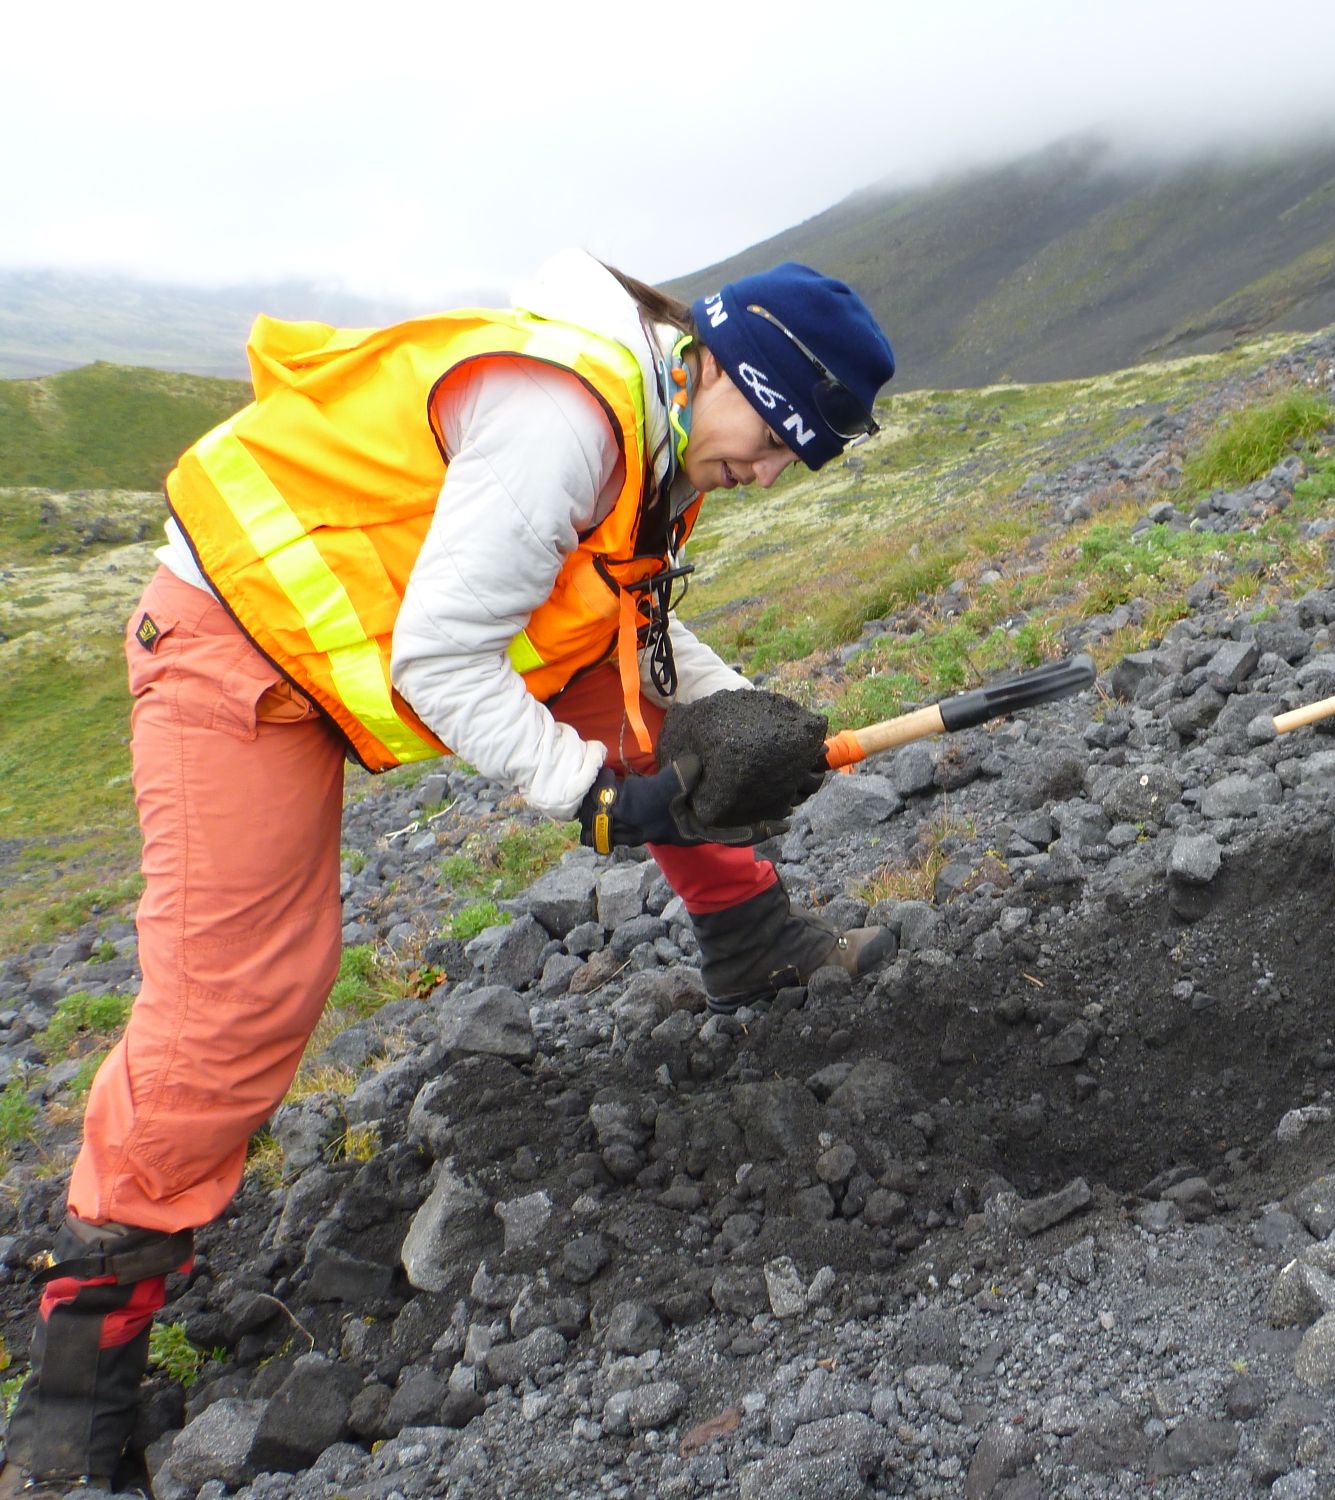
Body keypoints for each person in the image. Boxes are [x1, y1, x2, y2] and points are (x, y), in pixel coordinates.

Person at [1, 249, 898, 1493]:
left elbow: (626, 628)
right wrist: (590, 794)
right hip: (240, 646)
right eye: (774, 435)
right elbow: (440, 661)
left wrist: (756, 720)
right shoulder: (560, 427)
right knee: (242, 991)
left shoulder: (662, 428)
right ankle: (76, 1382)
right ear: (713, 364)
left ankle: (755, 948)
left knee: (697, 740)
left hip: (369, 628)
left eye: (801, 455)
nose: (771, 470)